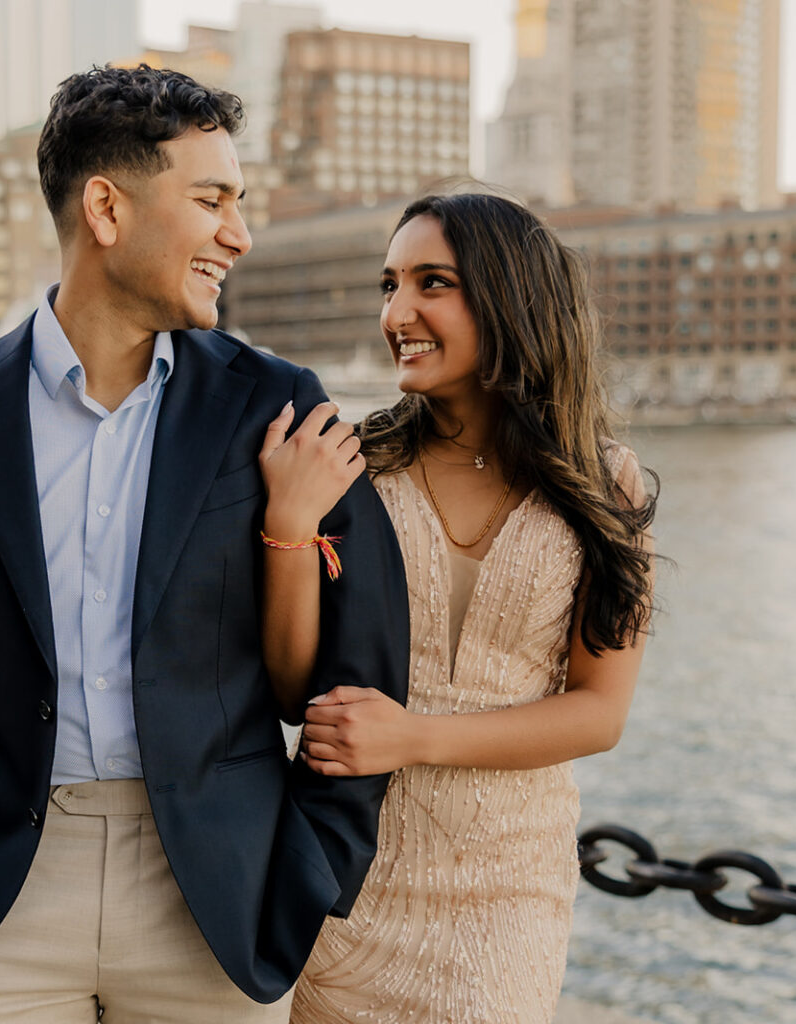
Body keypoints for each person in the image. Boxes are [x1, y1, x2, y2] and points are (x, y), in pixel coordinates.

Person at [0, 65, 409, 1022]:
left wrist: (309, 869)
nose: (240, 233)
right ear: (106, 207)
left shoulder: (272, 406)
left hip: (214, 892)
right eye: (211, 200)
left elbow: (364, 666)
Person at [257, 190, 657, 1023]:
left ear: (510, 298)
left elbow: (598, 713)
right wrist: (290, 526)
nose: (397, 312)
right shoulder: (352, 462)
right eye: (389, 285)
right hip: (345, 873)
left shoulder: (604, 482)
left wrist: (416, 737)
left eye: (432, 282)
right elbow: (295, 692)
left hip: (508, 888)